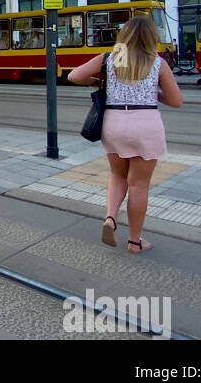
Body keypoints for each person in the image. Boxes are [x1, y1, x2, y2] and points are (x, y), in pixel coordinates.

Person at [68, 17, 183, 254]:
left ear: (125, 36)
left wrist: (97, 82)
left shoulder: (111, 58)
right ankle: (134, 241)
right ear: (151, 38)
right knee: (139, 185)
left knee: (117, 175)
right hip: (145, 124)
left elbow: (73, 76)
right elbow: (176, 101)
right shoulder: (157, 62)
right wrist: (154, 93)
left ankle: (110, 218)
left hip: (114, 124)